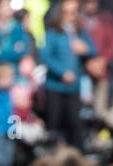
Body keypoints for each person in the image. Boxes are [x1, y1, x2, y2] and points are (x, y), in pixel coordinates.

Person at [43, 0, 99, 152]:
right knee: (55, 122)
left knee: (75, 122)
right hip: (56, 85)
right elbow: (46, 56)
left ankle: (77, 156)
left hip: (74, 87)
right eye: (67, 12)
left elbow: (93, 50)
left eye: (74, 12)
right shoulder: (53, 32)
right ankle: (52, 155)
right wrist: (62, 72)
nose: (70, 16)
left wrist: (85, 49)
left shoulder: (80, 32)